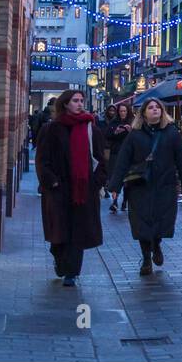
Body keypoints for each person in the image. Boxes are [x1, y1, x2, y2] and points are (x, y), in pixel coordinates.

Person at [107, 96, 182, 276]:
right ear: (144, 113)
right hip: (140, 185)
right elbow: (123, 161)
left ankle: (157, 244)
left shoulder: (172, 133)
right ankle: (146, 258)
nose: (155, 110)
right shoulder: (135, 135)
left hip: (165, 185)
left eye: (158, 107)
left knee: (161, 220)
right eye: (151, 108)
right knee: (142, 223)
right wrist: (115, 186)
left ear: (162, 112)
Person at [35, 90, 107, 287]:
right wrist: (52, 182)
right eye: (75, 100)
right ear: (65, 104)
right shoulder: (51, 130)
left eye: (82, 100)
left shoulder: (92, 129)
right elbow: (42, 160)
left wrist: (96, 183)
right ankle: (58, 256)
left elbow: (101, 160)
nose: (80, 104)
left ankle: (72, 273)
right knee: (59, 232)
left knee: (78, 232)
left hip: (83, 190)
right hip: (58, 190)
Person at [106, 103, 134, 213]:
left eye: (124, 111)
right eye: (121, 111)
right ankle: (115, 201)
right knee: (116, 178)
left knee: (127, 179)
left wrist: (131, 130)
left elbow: (138, 137)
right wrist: (115, 132)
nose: (123, 113)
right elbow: (107, 135)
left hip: (129, 154)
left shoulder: (133, 121)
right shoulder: (114, 122)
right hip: (116, 153)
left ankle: (125, 202)